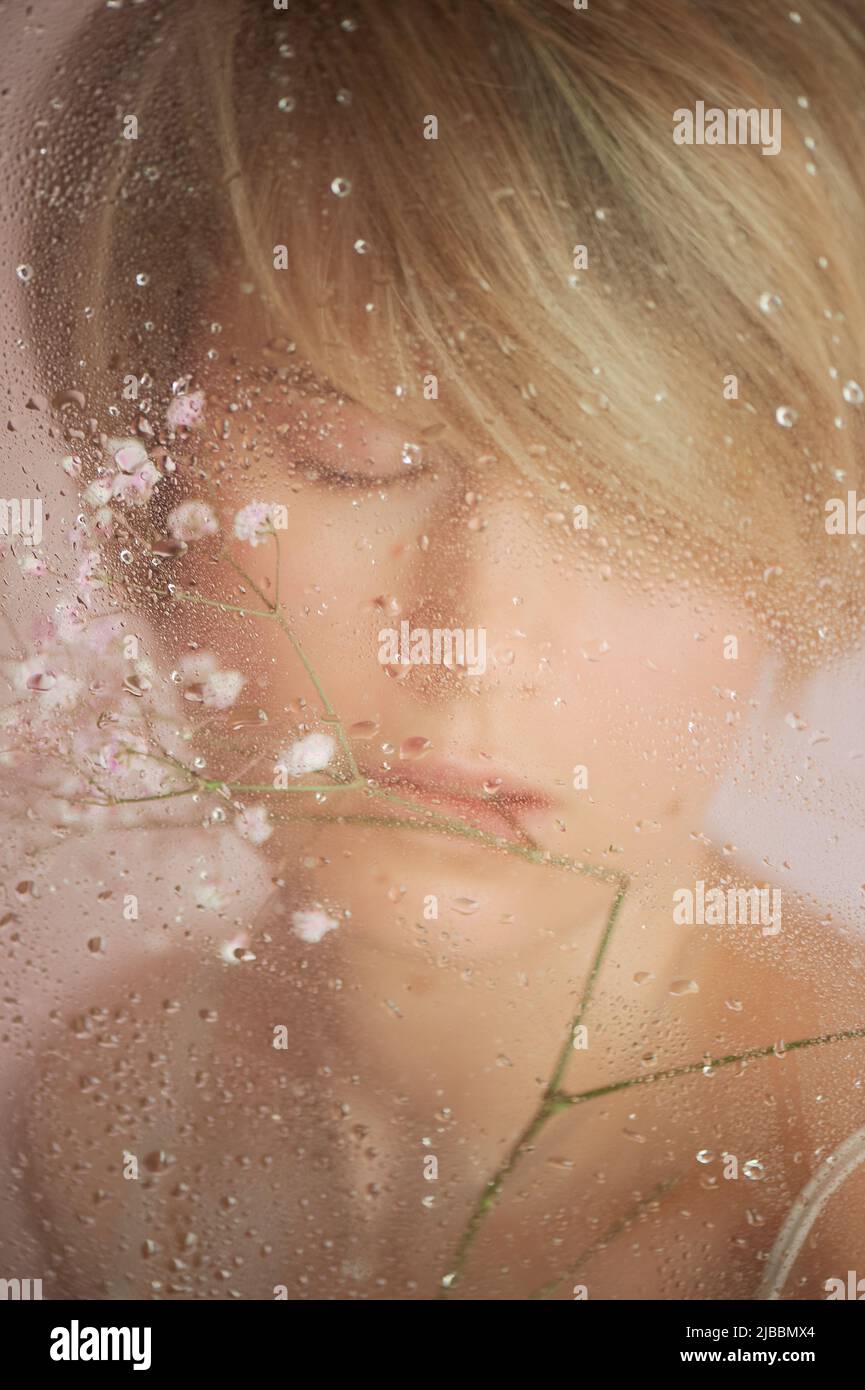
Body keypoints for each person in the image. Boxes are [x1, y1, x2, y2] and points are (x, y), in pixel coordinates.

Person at [3, 0, 865, 1300]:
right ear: (149, 454)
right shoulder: (93, 1119)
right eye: (351, 459)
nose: (471, 644)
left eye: (636, 508)